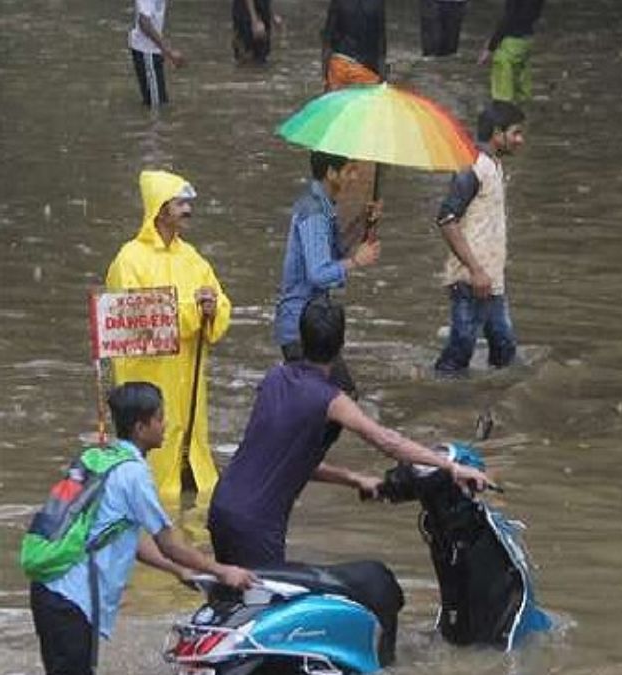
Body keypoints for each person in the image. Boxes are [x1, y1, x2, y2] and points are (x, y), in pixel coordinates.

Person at [209, 298, 491, 567]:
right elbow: (387, 442)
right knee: (264, 605)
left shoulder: (274, 378)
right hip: (256, 523)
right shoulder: (331, 399)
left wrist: (353, 479)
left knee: (234, 601)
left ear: (302, 339)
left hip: (222, 507)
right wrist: (451, 467)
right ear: (341, 345)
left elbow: (285, 459)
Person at [30, 382, 255, 675]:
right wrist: (223, 571)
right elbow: (170, 544)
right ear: (140, 427)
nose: (165, 425)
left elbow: (126, 538)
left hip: (51, 590)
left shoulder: (98, 457)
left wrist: (177, 571)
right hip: (70, 601)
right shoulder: (134, 474)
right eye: (160, 418)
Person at [106, 170, 231, 499]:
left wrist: (212, 307)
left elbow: (220, 303)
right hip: (149, 377)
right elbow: (137, 321)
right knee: (153, 462)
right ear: (160, 210)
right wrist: (193, 312)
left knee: (191, 456)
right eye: (180, 203)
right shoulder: (129, 260)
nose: (188, 210)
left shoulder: (192, 258)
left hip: (188, 379)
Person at [273, 151, 381, 452]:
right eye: (350, 170)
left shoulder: (323, 207)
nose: (354, 177)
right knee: (339, 396)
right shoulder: (314, 212)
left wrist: (364, 221)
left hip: (308, 324)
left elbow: (334, 250)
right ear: (331, 173)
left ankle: (299, 454)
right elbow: (319, 272)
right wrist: (356, 262)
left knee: (327, 399)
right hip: (301, 326)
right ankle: (299, 457)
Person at [433, 102, 526, 375]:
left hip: (490, 278)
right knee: (460, 351)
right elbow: (446, 219)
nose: (521, 140)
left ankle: (493, 402)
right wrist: (475, 270)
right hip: (471, 279)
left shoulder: (493, 166)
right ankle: (443, 402)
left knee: (504, 349)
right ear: (498, 134)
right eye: (516, 133)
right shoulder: (472, 168)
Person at [479, 0, 545, 103]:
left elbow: (509, 18)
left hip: (510, 41)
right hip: (526, 40)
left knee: (503, 87)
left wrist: (491, 46)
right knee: (520, 82)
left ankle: (503, 109)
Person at [321, 0, 386, 90]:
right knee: (363, 103)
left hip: (339, 65)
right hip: (365, 69)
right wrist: (382, 75)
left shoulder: (338, 2)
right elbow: (380, 40)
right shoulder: (378, 3)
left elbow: (328, 36)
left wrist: (325, 74)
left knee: (336, 102)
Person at [129, 0, 184, 107]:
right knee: (157, 107)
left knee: (156, 102)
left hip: (150, 51)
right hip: (146, 52)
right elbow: (144, 23)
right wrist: (168, 52)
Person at [232, 0, 282, 65]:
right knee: (247, 56)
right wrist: (254, 21)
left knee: (261, 56)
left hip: (261, 13)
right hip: (245, 15)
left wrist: (273, 15)